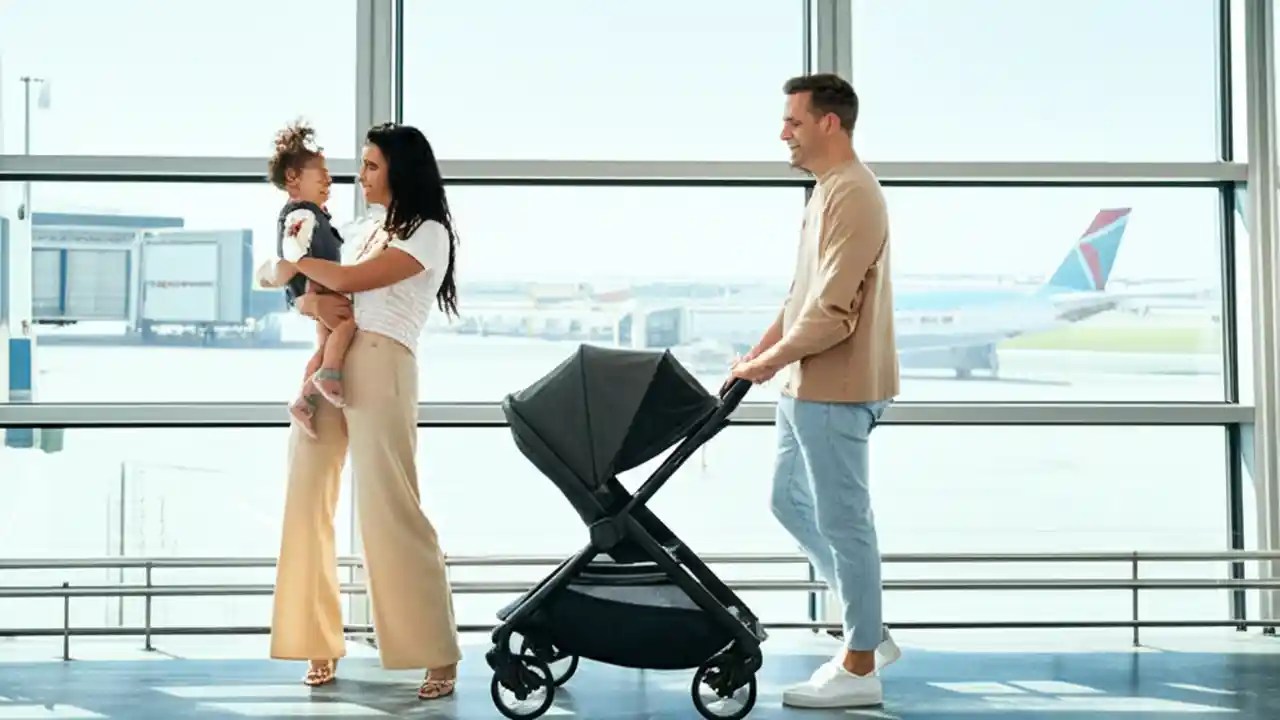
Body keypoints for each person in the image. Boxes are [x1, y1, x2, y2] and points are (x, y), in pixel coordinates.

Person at [256, 122, 463, 700]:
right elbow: (323, 295)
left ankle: (435, 651)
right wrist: (299, 286)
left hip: (383, 365)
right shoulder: (368, 229)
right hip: (333, 361)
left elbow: (343, 279)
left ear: (401, 169)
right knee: (306, 498)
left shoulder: (428, 234)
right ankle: (315, 640)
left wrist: (287, 268)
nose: (359, 175)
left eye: (371, 165)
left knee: (390, 506)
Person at [731, 73, 901, 709]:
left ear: (830, 123)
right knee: (788, 502)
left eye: (793, 122)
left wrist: (770, 362)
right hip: (805, 383)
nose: (783, 134)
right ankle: (869, 627)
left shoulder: (855, 195)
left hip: (835, 386)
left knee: (844, 520)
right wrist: (761, 353)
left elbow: (833, 312)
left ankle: (859, 667)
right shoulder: (826, 192)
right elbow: (799, 296)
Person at [266, 121, 356, 439]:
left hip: (316, 289)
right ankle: (328, 376)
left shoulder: (309, 213)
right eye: (321, 174)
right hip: (316, 289)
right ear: (293, 178)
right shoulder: (301, 214)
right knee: (346, 324)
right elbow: (293, 252)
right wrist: (304, 285)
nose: (329, 180)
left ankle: (303, 399)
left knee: (323, 344)